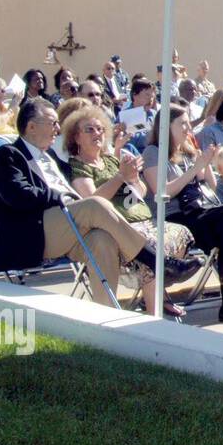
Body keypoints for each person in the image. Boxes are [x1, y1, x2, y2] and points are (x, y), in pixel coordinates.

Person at [0, 99, 201, 304]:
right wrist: (61, 197)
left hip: (67, 225)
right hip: (33, 230)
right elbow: (18, 196)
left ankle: (104, 315)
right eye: (52, 123)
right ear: (31, 127)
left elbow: (133, 196)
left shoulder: (50, 156)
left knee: (102, 240)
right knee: (95, 204)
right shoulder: (9, 154)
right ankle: (157, 262)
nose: (57, 129)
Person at [65, 106, 194, 317]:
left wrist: (133, 178)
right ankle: (155, 311)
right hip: (118, 230)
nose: (97, 133)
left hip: (142, 219)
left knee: (178, 232)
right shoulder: (78, 167)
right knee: (152, 246)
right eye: (90, 130)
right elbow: (92, 202)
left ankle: (159, 293)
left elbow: (139, 193)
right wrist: (120, 177)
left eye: (100, 129)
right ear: (76, 137)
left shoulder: (110, 161)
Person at [143, 105, 223, 323]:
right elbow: (162, 192)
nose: (187, 127)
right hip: (173, 216)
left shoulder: (187, 152)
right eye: (181, 123)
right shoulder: (153, 152)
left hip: (197, 211)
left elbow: (210, 188)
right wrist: (194, 168)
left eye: (187, 122)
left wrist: (207, 162)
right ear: (166, 126)